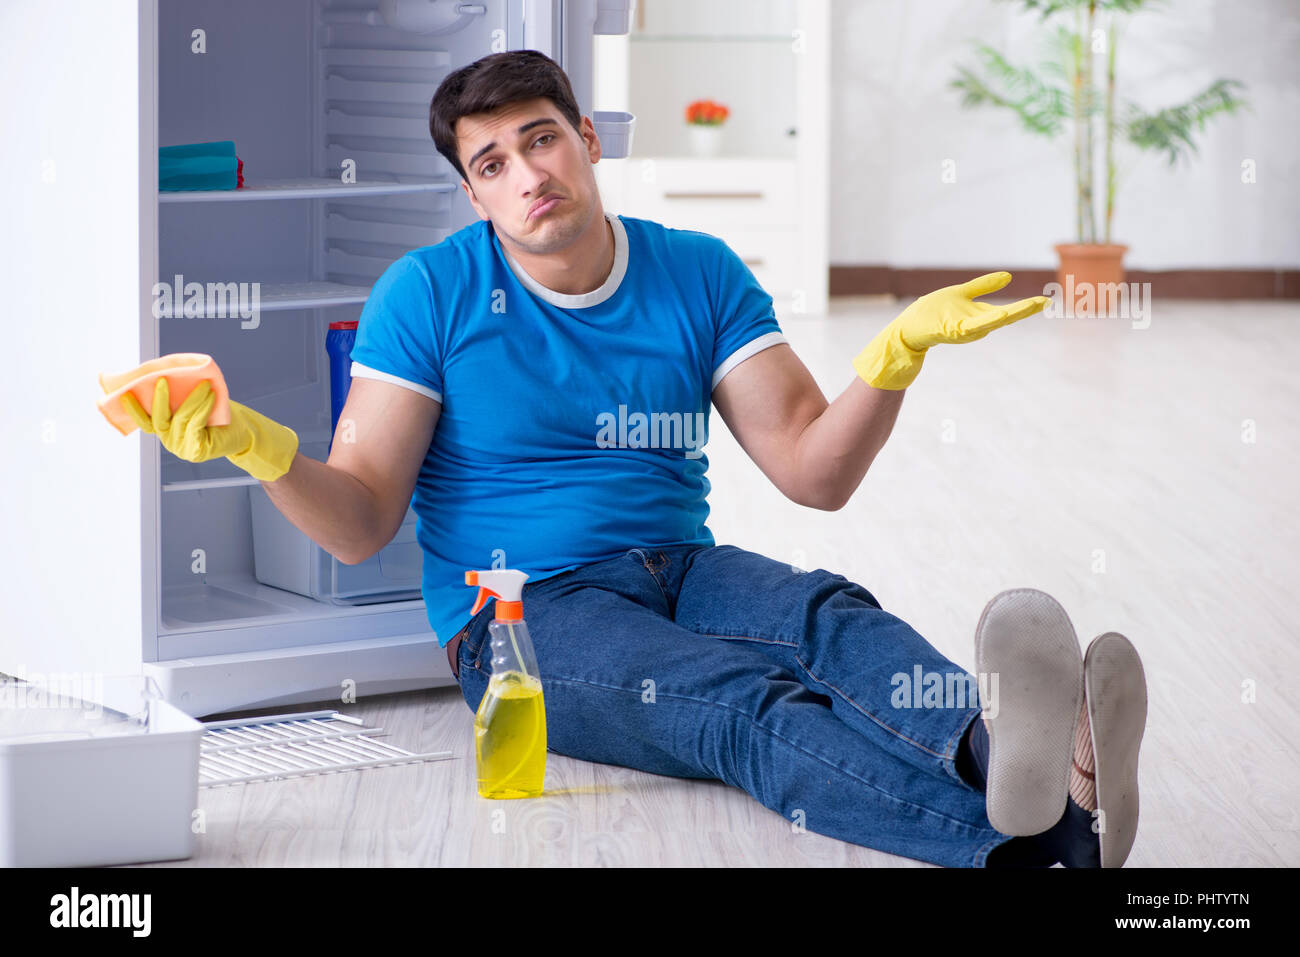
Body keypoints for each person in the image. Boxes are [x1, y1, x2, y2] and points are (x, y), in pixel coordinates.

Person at [117, 50, 1147, 868]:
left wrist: (892, 360)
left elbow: (811, 471)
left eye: (541, 140)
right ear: (473, 196)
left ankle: (1008, 753)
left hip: (682, 567)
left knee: (829, 620)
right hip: (520, 616)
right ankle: (1044, 847)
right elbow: (360, 520)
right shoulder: (425, 293)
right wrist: (249, 442)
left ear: (587, 140)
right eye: (493, 165)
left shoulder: (694, 271)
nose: (528, 176)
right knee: (740, 701)